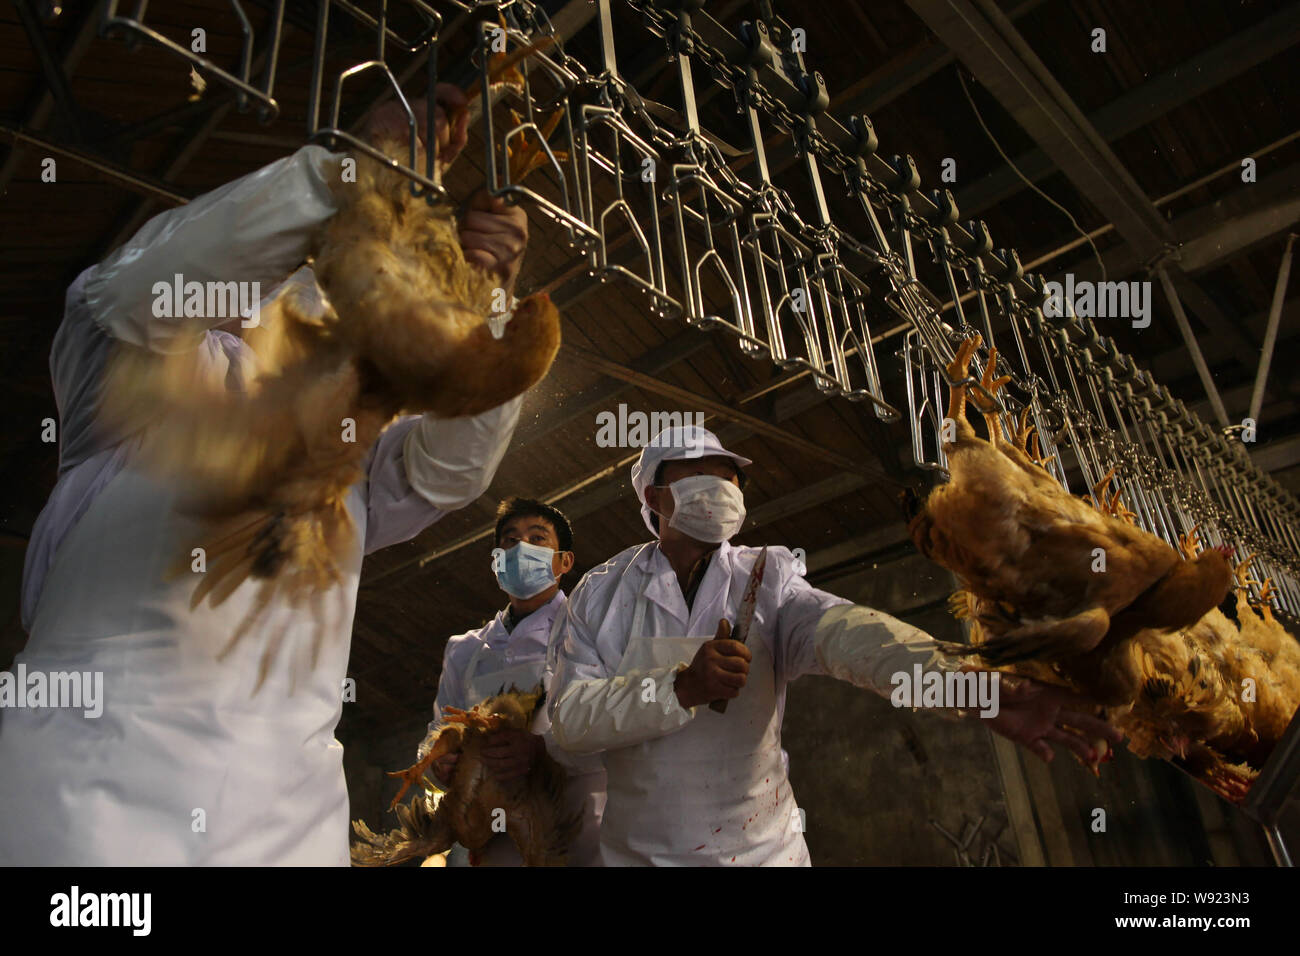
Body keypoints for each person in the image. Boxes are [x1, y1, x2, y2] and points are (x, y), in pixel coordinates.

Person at [0, 86, 534, 865]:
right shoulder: (125, 376)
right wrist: (347, 177)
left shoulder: (346, 459)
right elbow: (142, 289)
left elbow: (456, 466)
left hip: (284, 825)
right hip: (89, 804)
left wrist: (489, 303)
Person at [547, 425, 1123, 866]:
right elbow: (571, 720)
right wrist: (679, 686)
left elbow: (854, 638)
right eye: (706, 474)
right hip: (642, 858)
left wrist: (974, 687)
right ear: (657, 496)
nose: (726, 489)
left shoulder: (765, 576)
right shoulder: (601, 594)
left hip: (763, 855)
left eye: (731, 477)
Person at [417, 497, 605, 866]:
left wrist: (543, 750)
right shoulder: (464, 650)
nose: (522, 549)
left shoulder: (591, 630)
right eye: (510, 541)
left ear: (564, 561)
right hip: (487, 843)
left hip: (574, 833)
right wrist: (440, 762)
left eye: (538, 539)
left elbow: (616, 729)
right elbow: (437, 733)